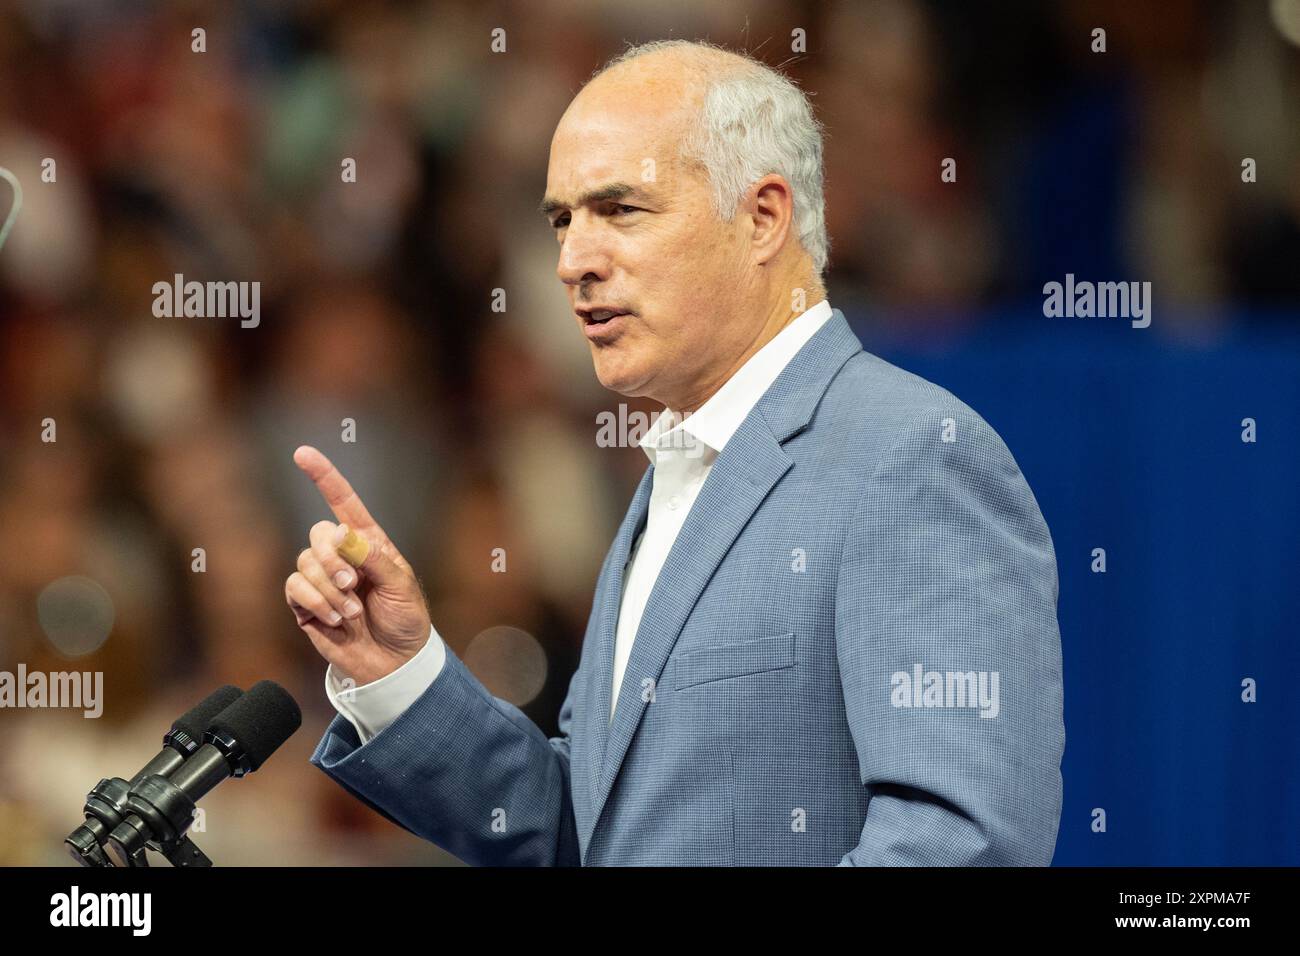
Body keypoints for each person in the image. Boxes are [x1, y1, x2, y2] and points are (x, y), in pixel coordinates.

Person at [284, 39, 1065, 866]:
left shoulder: (910, 459)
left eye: (619, 209)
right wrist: (401, 675)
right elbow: (590, 832)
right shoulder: (678, 475)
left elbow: (963, 843)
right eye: (561, 219)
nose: (572, 261)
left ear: (763, 217)